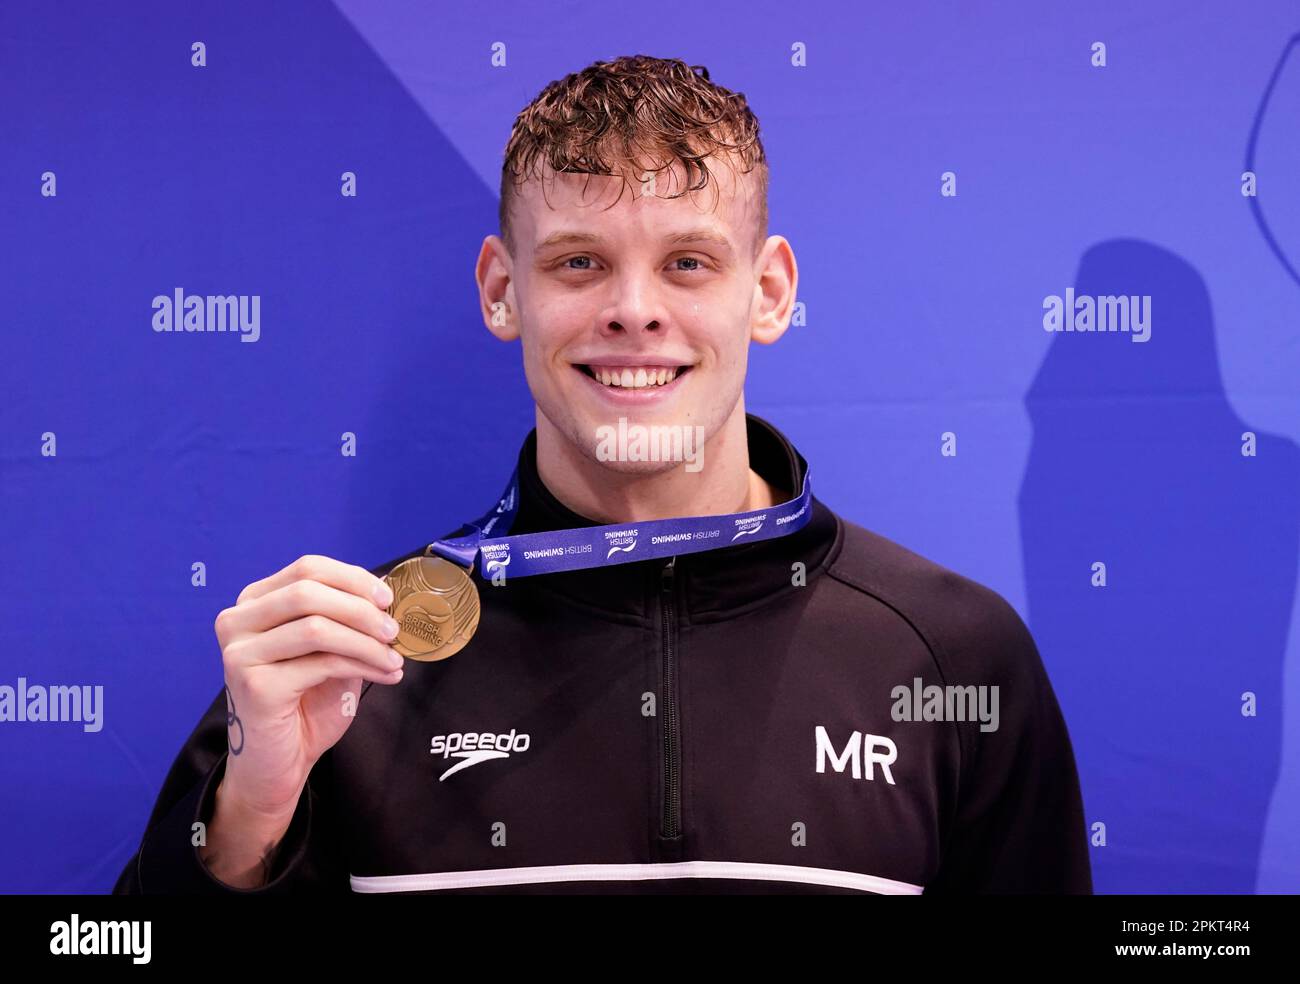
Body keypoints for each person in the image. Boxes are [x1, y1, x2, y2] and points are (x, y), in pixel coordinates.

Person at [114, 54, 1091, 895]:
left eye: (688, 263)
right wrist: (249, 811)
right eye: (580, 262)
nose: (633, 310)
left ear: (771, 291)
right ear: (505, 291)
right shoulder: (349, 668)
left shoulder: (957, 658)